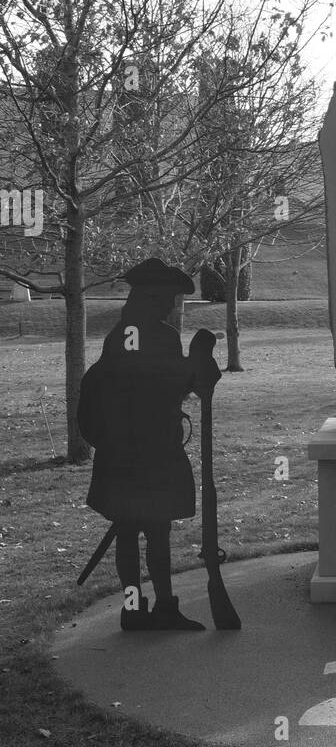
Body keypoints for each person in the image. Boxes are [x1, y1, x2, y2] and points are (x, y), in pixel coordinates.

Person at [77, 257, 220, 632]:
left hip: (122, 456)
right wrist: (198, 369)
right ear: (153, 297)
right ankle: (163, 608)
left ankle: (134, 608)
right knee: (156, 532)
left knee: (128, 533)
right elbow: (165, 386)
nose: (173, 305)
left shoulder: (121, 335)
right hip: (150, 454)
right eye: (169, 297)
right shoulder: (158, 336)